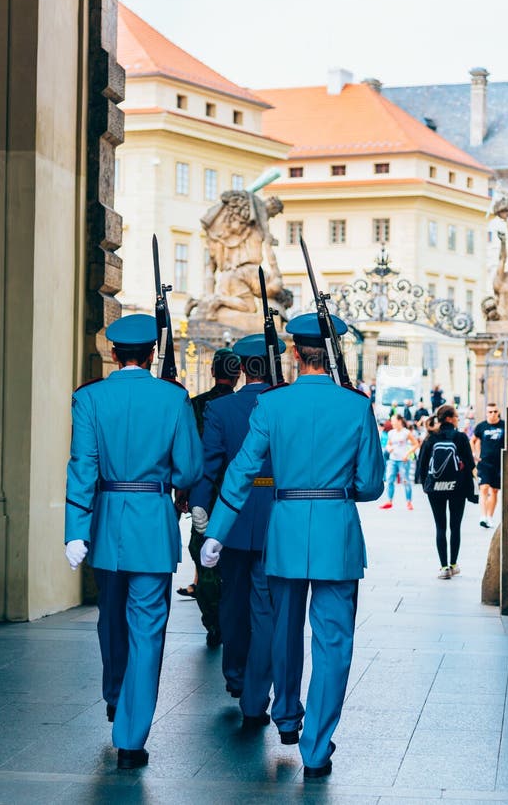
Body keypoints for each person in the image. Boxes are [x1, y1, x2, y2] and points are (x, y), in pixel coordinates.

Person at [200, 313, 384, 780]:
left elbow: (242, 470)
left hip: (284, 529)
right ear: (335, 353)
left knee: (282, 627)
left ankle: (285, 714)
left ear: (296, 354)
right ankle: (316, 747)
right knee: (334, 643)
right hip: (336, 532)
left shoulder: (273, 404)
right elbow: (371, 485)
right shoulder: (356, 405)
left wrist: (217, 531)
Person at [63, 314, 203, 769]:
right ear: (151, 354)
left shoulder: (89, 397)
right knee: (147, 631)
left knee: (110, 618)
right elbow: (188, 470)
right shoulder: (173, 397)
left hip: (105, 523)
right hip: (152, 524)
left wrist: (75, 529)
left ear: (112, 353)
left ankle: (115, 693)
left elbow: (82, 466)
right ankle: (130, 738)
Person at [189, 333, 286, 726]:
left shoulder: (221, 408)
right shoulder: (285, 405)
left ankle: (235, 674)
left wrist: (199, 503)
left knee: (231, 599)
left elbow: (208, 464)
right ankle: (256, 696)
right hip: (276, 514)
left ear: (243, 367)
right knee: (265, 607)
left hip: (232, 514)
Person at [183, 348, 241, 648]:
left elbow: (187, 455)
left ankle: (212, 621)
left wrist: (184, 494)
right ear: (238, 374)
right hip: (235, 498)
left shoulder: (195, 406)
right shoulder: (243, 407)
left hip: (203, 496)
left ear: (212, 372)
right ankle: (231, 620)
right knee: (234, 561)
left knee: (203, 560)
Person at [418, 404, 476, 579]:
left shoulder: (430, 438)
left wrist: (426, 486)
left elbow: (421, 465)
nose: (458, 419)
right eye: (457, 416)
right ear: (450, 418)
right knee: (455, 527)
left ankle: (444, 567)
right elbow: (470, 464)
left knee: (440, 527)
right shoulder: (460, 437)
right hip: (458, 488)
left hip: (435, 489)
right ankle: (454, 564)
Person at [472, 403, 506, 528]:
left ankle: (489, 517)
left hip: (499, 463)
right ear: (486, 413)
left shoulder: (504, 425)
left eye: (495, 411)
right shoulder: (481, 426)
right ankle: (483, 516)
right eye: (490, 412)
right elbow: (472, 440)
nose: (493, 414)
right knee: (484, 488)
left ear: (498, 412)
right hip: (484, 462)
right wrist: (475, 454)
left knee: (494, 491)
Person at [379, 414, 419, 510]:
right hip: (392, 460)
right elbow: (388, 444)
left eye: (393, 421)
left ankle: (409, 502)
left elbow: (416, 444)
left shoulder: (406, 432)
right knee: (389, 480)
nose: (392, 423)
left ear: (399, 421)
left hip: (403, 460)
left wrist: (407, 454)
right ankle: (389, 501)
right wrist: (389, 448)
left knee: (405, 481)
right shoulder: (391, 433)